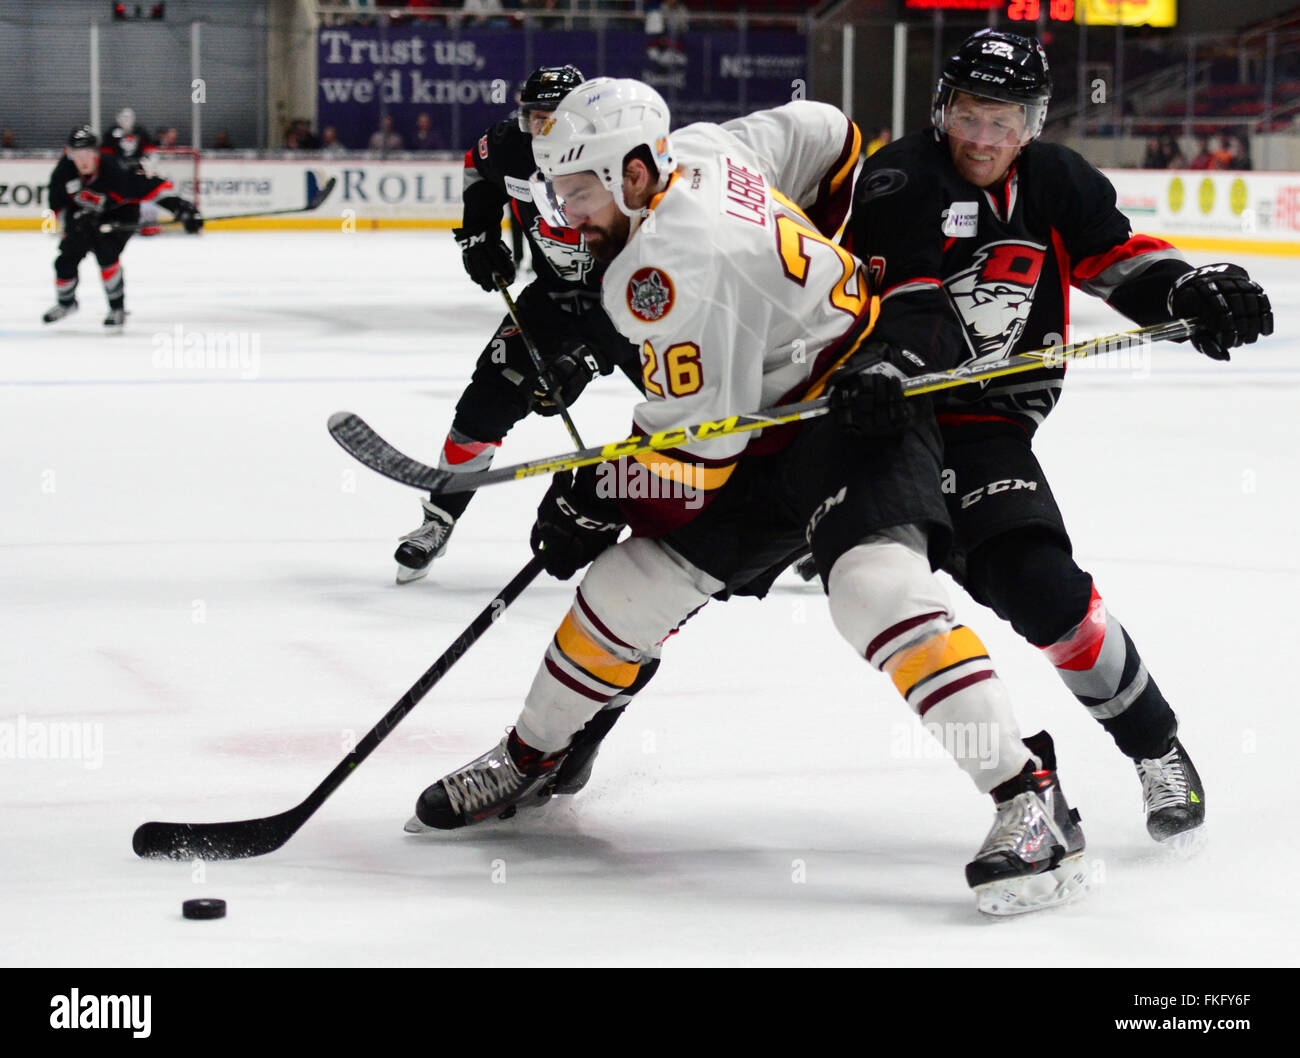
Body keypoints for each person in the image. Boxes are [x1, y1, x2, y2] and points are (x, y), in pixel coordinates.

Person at [407, 78, 1090, 916]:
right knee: (628, 588)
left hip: (851, 409)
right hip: (763, 415)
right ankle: (534, 757)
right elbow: (829, 133)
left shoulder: (661, 277)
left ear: (631, 174)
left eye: (578, 191)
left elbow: (695, 468)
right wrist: (826, 257)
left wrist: (600, 493)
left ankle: (1030, 796)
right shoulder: (699, 148)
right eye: (558, 189)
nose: (564, 212)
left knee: (876, 591)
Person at [840, 29, 1272, 846]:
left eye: (1004, 122)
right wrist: (893, 368)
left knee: (1040, 587)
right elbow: (911, 299)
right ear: (943, 109)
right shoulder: (904, 175)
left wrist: (1193, 290)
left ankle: (1153, 747)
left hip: (985, 425)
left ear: (1033, 123)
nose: (982, 139)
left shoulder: (1056, 179)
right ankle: (560, 742)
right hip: (882, 416)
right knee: (710, 551)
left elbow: (1122, 260)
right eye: (969, 114)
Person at [392, 65, 644, 585]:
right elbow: (476, 168)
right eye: (532, 117)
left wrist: (588, 359)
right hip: (551, 297)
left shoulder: (619, 159)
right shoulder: (509, 145)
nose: (539, 130)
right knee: (489, 395)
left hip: (633, 301)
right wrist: (478, 236)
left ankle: (788, 523)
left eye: (551, 119)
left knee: (704, 414)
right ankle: (438, 519)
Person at [43, 126, 203, 331]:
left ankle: (117, 308)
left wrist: (182, 209)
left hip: (121, 214)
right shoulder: (63, 172)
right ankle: (66, 304)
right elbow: (54, 205)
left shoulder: (114, 170)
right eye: (76, 154)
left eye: (87, 153)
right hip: (84, 217)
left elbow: (153, 187)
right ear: (69, 154)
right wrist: (61, 227)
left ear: (97, 153)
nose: (82, 160)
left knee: (106, 252)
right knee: (65, 260)